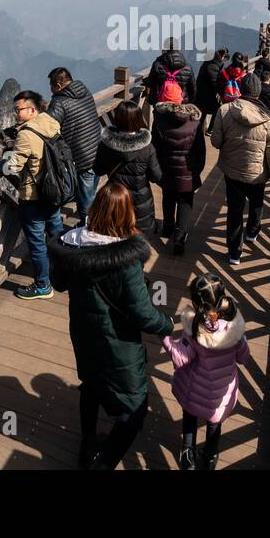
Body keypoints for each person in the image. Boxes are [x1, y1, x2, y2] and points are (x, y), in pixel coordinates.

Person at [49, 181, 173, 469]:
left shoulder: (72, 244)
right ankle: (103, 464)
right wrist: (166, 324)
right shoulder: (126, 260)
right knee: (134, 409)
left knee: (90, 384)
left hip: (83, 332)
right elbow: (142, 313)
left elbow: (57, 282)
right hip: (118, 343)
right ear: (126, 214)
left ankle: (87, 444)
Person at [163, 273, 250, 469]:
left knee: (190, 414)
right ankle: (210, 456)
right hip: (221, 391)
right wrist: (240, 339)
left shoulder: (195, 329)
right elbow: (243, 358)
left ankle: (188, 452)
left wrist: (165, 337)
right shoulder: (234, 328)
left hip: (195, 389)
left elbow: (180, 358)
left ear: (195, 303)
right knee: (214, 423)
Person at [210, 74, 270, 266]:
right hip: (257, 173)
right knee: (257, 203)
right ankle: (252, 233)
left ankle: (235, 253)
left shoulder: (225, 110)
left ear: (241, 90)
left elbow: (215, 141)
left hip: (232, 170)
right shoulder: (268, 118)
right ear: (258, 92)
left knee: (234, 210)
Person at [4, 90, 62, 301]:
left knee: (37, 242)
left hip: (34, 195)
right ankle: (63, 272)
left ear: (32, 109)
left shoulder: (26, 135)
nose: (15, 113)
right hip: (54, 190)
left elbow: (12, 167)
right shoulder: (50, 122)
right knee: (56, 232)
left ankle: (43, 285)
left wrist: (9, 149)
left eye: (18, 109)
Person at [151, 83, 206, 256]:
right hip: (188, 170)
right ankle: (180, 238)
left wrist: (157, 168)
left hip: (166, 169)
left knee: (168, 195)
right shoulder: (194, 121)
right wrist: (196, 169)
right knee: (185, 201)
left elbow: (154, 148)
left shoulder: (159, 121)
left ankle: (167, 226)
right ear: (180, 98)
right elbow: (200, 150)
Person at [95, 100, 162, 233]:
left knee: (115, 233)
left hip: (116, 199)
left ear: (117, 119)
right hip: (140, 201)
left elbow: (98, 169)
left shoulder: (106, 145)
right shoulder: (147, 147)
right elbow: (156, 176)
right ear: (138, 119)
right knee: (138, 239)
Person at [46, 67, 103, 222]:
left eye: (51, 87)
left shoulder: (59, 102)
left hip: (83, 158)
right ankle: (94, 225)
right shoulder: (84, 91)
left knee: (85, 201)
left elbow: (47, 126)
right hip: (98, 151)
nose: (51, 91)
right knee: (91, 194)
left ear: (58, 85)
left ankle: (88, 233)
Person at [143, 37, 195, 107]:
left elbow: (152, 84)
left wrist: (152, 101)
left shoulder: (158, 64)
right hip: (180, 106)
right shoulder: (188, 67)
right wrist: (188, 102)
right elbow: (192, 88)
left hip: (162, 105)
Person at [194, 47, 227, 135]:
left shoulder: (208, 64)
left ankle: (198, 131)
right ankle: (209, 130)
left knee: (203, 112)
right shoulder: (213, 66)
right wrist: (222, 89)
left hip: (202, 93)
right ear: (221, 56)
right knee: (217, 108)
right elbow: (214, 83)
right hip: (206, 95)